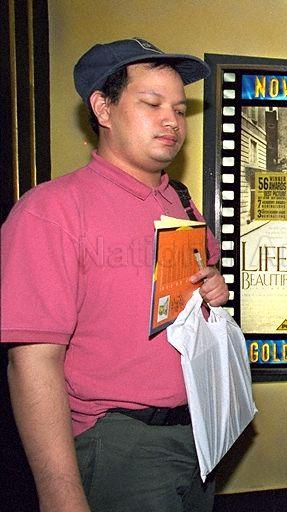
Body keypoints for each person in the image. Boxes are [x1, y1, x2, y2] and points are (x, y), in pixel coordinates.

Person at [1, 38, 228, 512]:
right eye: (152, 104)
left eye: (180, 109)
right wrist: (60, 494)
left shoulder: (181, 202)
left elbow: (190, 302)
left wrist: (212, 291)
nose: (172, 120)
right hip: (120, 444)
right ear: (103, 109)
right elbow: (32, 362)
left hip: (199, 435)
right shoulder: (51, 211)